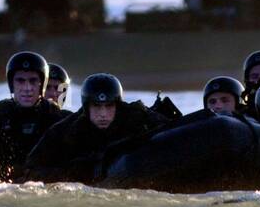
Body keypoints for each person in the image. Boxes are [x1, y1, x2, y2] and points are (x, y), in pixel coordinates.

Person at [24, 73, 167, 184]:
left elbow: (174, 130)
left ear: (118, 106)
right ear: (86, 107)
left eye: (109, 106)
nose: (103, 114)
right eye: (97, 106)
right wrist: (76, 171)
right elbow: (32, 171)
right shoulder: (66, 131)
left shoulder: (137, 116)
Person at [0, 51, 70, 183]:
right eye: (20, 81)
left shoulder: (60, 119)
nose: (27, 88)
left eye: (33, 80)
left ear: (41, 84)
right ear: (12, 84)